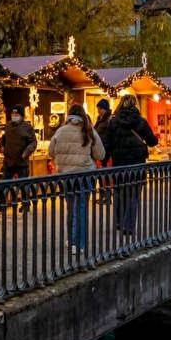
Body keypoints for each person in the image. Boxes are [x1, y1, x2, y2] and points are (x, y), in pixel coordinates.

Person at [48, 104, 105, 254]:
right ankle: (79, 244)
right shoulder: (88, 130)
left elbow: (51, 152)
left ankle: (71, 241)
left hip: (66, 177)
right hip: (85, 176)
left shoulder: (60, 131)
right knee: (81, 208)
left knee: (70, 208)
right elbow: (101, 154)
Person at [105, 95, 158, 235]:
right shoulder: (140, 121)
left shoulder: (113, 122)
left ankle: (118, 222)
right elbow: (152, 141)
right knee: (133, 194)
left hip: (119, 163)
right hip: (137, 164)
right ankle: (128, 226)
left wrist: (105, 160)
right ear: (135, 105)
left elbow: (107, 144)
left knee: (119, 192)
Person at [1, 105, 37, 179]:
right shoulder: (8, 126)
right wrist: (2, 146)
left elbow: (33, 142)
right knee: (5, 186)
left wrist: (26, 153)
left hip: (22, 164)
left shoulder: (28, 127)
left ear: (22, 116)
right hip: (8, 163)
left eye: (16, 115)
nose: (14, 116)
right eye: (13, 114)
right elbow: (4, 138)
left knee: (23, 186)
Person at [93, 98, 112, 167]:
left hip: (106, 148)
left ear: (104, 109)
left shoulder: (109, 119)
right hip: (100, 146)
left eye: (99, 109)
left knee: (105, 169)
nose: (98, 111)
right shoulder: (99, 119)